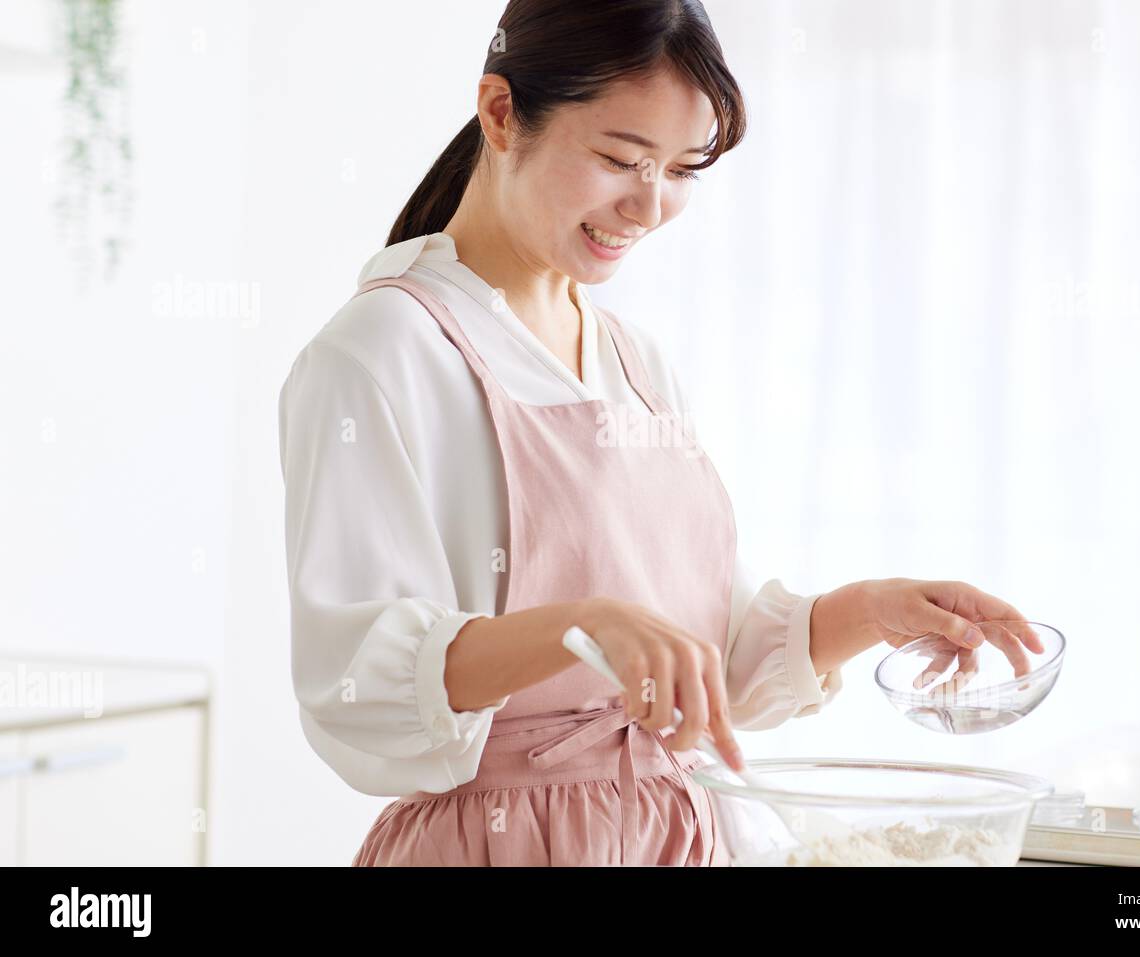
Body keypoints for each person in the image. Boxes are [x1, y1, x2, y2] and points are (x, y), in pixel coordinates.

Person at [277, 0, 1040, 866]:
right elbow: (358, 682)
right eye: (619, 159)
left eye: (682, 169)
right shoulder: (380, 355)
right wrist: (584, 626)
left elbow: (708, 661)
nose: (650, 205)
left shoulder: (632, 359)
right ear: (499, 112)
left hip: (677, 838)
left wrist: (874, 609)